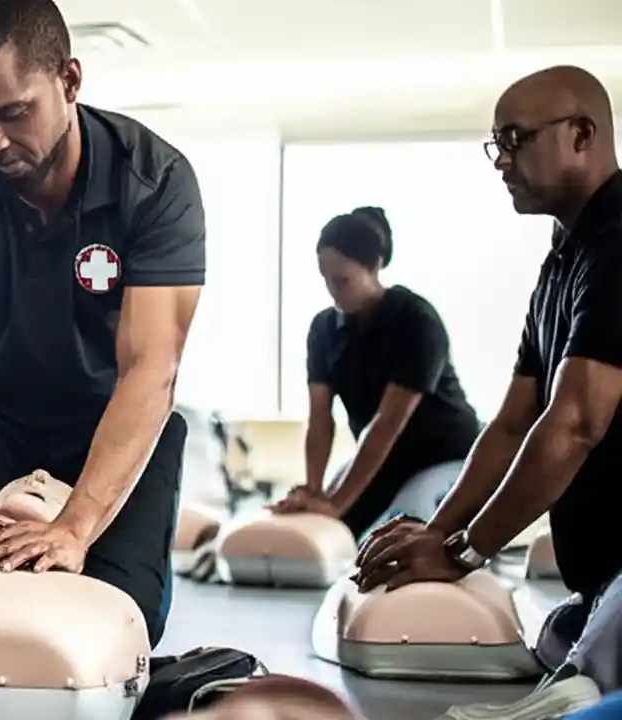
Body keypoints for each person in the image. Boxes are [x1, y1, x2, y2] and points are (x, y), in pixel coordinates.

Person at [0, 0, 204, 648]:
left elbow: (152, 370)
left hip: (109, 417)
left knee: (117, 627)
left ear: (70, 80)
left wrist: (74, 527)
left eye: (12, 113)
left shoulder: (156, 181)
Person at [354, 65, 622, 710]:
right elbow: (513, 422)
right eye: (495, 143)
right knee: (564, 640)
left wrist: (468, 550)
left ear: (582, 133)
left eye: (515, 139)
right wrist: (440, 537)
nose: (500, 160)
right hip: (601, 575)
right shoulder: (566, 258)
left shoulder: (620, 240)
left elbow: (576, 421)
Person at [272, 207, 481, 538]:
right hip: (385, 462)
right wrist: (315, 491)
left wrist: (335, 504)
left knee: (400, 530)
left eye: (343, 280)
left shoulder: (416, 320)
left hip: (446, 458)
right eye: (325, 279)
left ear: (374, 266)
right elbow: (320, 419)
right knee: (331, 527)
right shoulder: (324, 328)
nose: (333, 291)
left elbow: (387, 424)